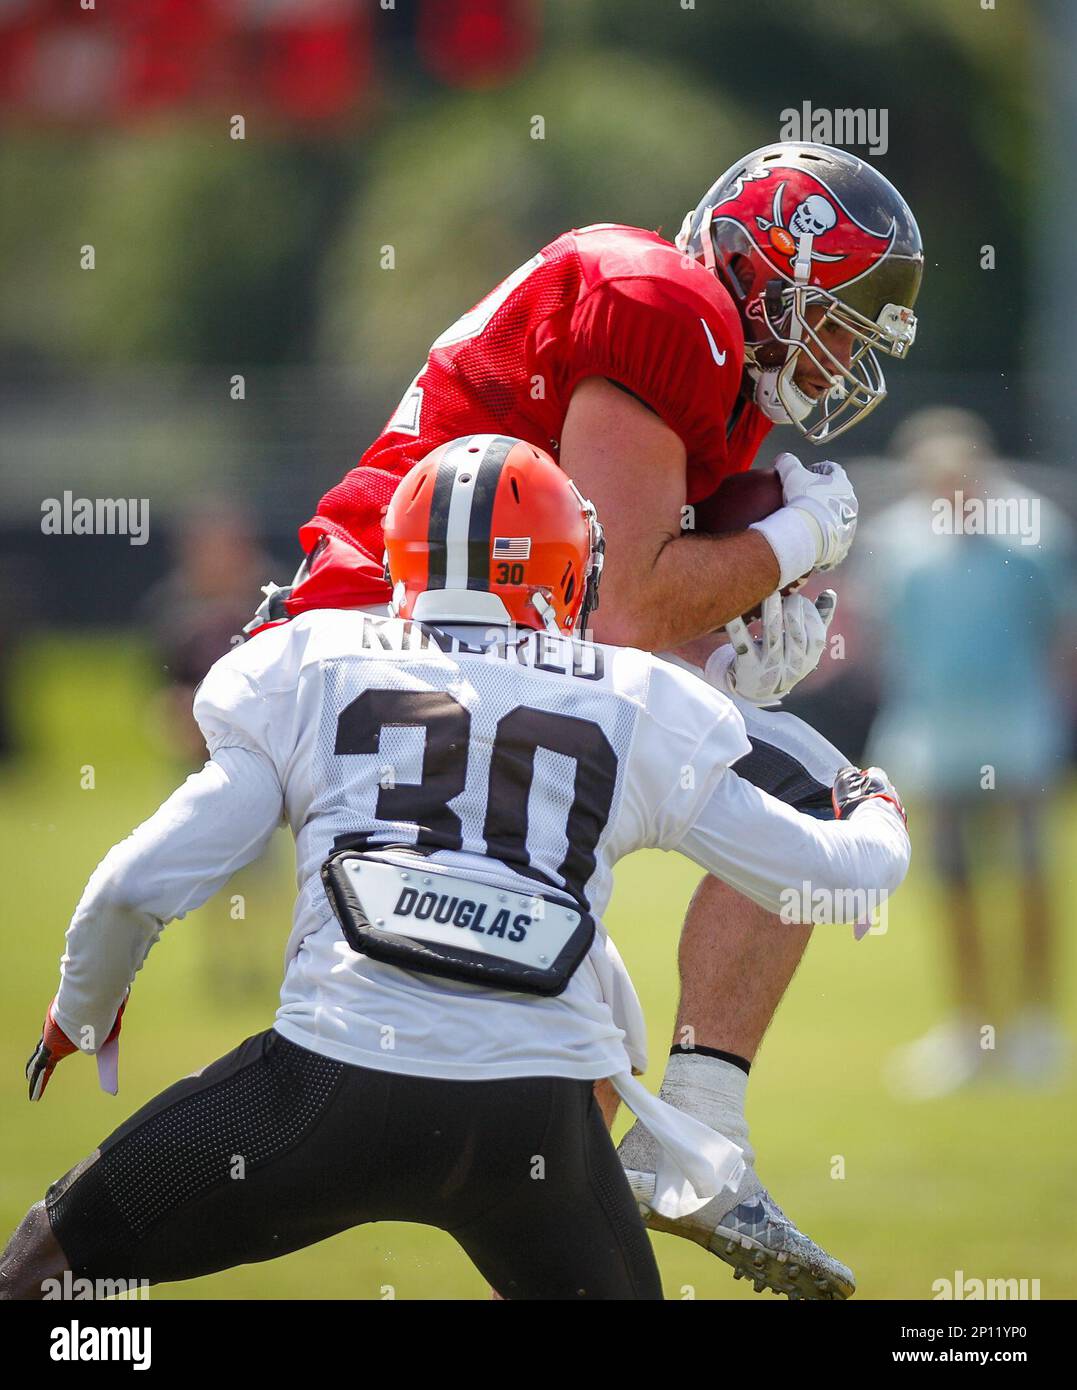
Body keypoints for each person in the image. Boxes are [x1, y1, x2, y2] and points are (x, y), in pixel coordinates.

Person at [246, 141, 924, 1295]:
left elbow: (614, 613)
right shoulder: (661, 300)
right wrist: (797, 542)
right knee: (810, 792)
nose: (846, 354)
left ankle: (645, 1164)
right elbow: (620, 617)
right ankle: (694, 1136)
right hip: (384, 657)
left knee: (569, 1037)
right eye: (833, 317)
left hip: (412, 659)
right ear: (754, 265)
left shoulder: (705, 364)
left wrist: (743, 639)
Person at [2, 440, 910, 1301]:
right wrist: (873, 801)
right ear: (566, 565)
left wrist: (80, 1010)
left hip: (324, 1086)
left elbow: (135, 884)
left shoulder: (311, 659)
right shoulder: (637, 696)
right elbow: (835, 875)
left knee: (46, 1266)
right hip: (535, 1130)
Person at [858, 409, 1073, 1098]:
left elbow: (1059, 631)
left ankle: (1036, 1024)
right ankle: (970, 1029)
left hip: (1015, 726)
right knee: (950, 882)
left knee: (1029, 872)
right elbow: (882, 635)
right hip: (932, 730)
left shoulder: (1034, 531)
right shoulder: (895, 541)